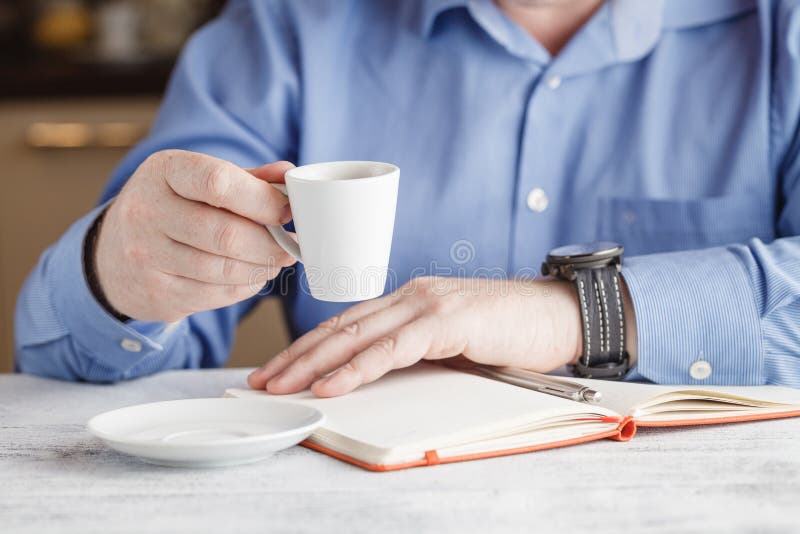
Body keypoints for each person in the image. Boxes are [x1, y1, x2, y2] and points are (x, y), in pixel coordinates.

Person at [14, 0, 800, 396]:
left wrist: (575, 313)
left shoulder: (781, 31)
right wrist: (118, 276)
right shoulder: (288, 27)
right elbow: (68, 368)